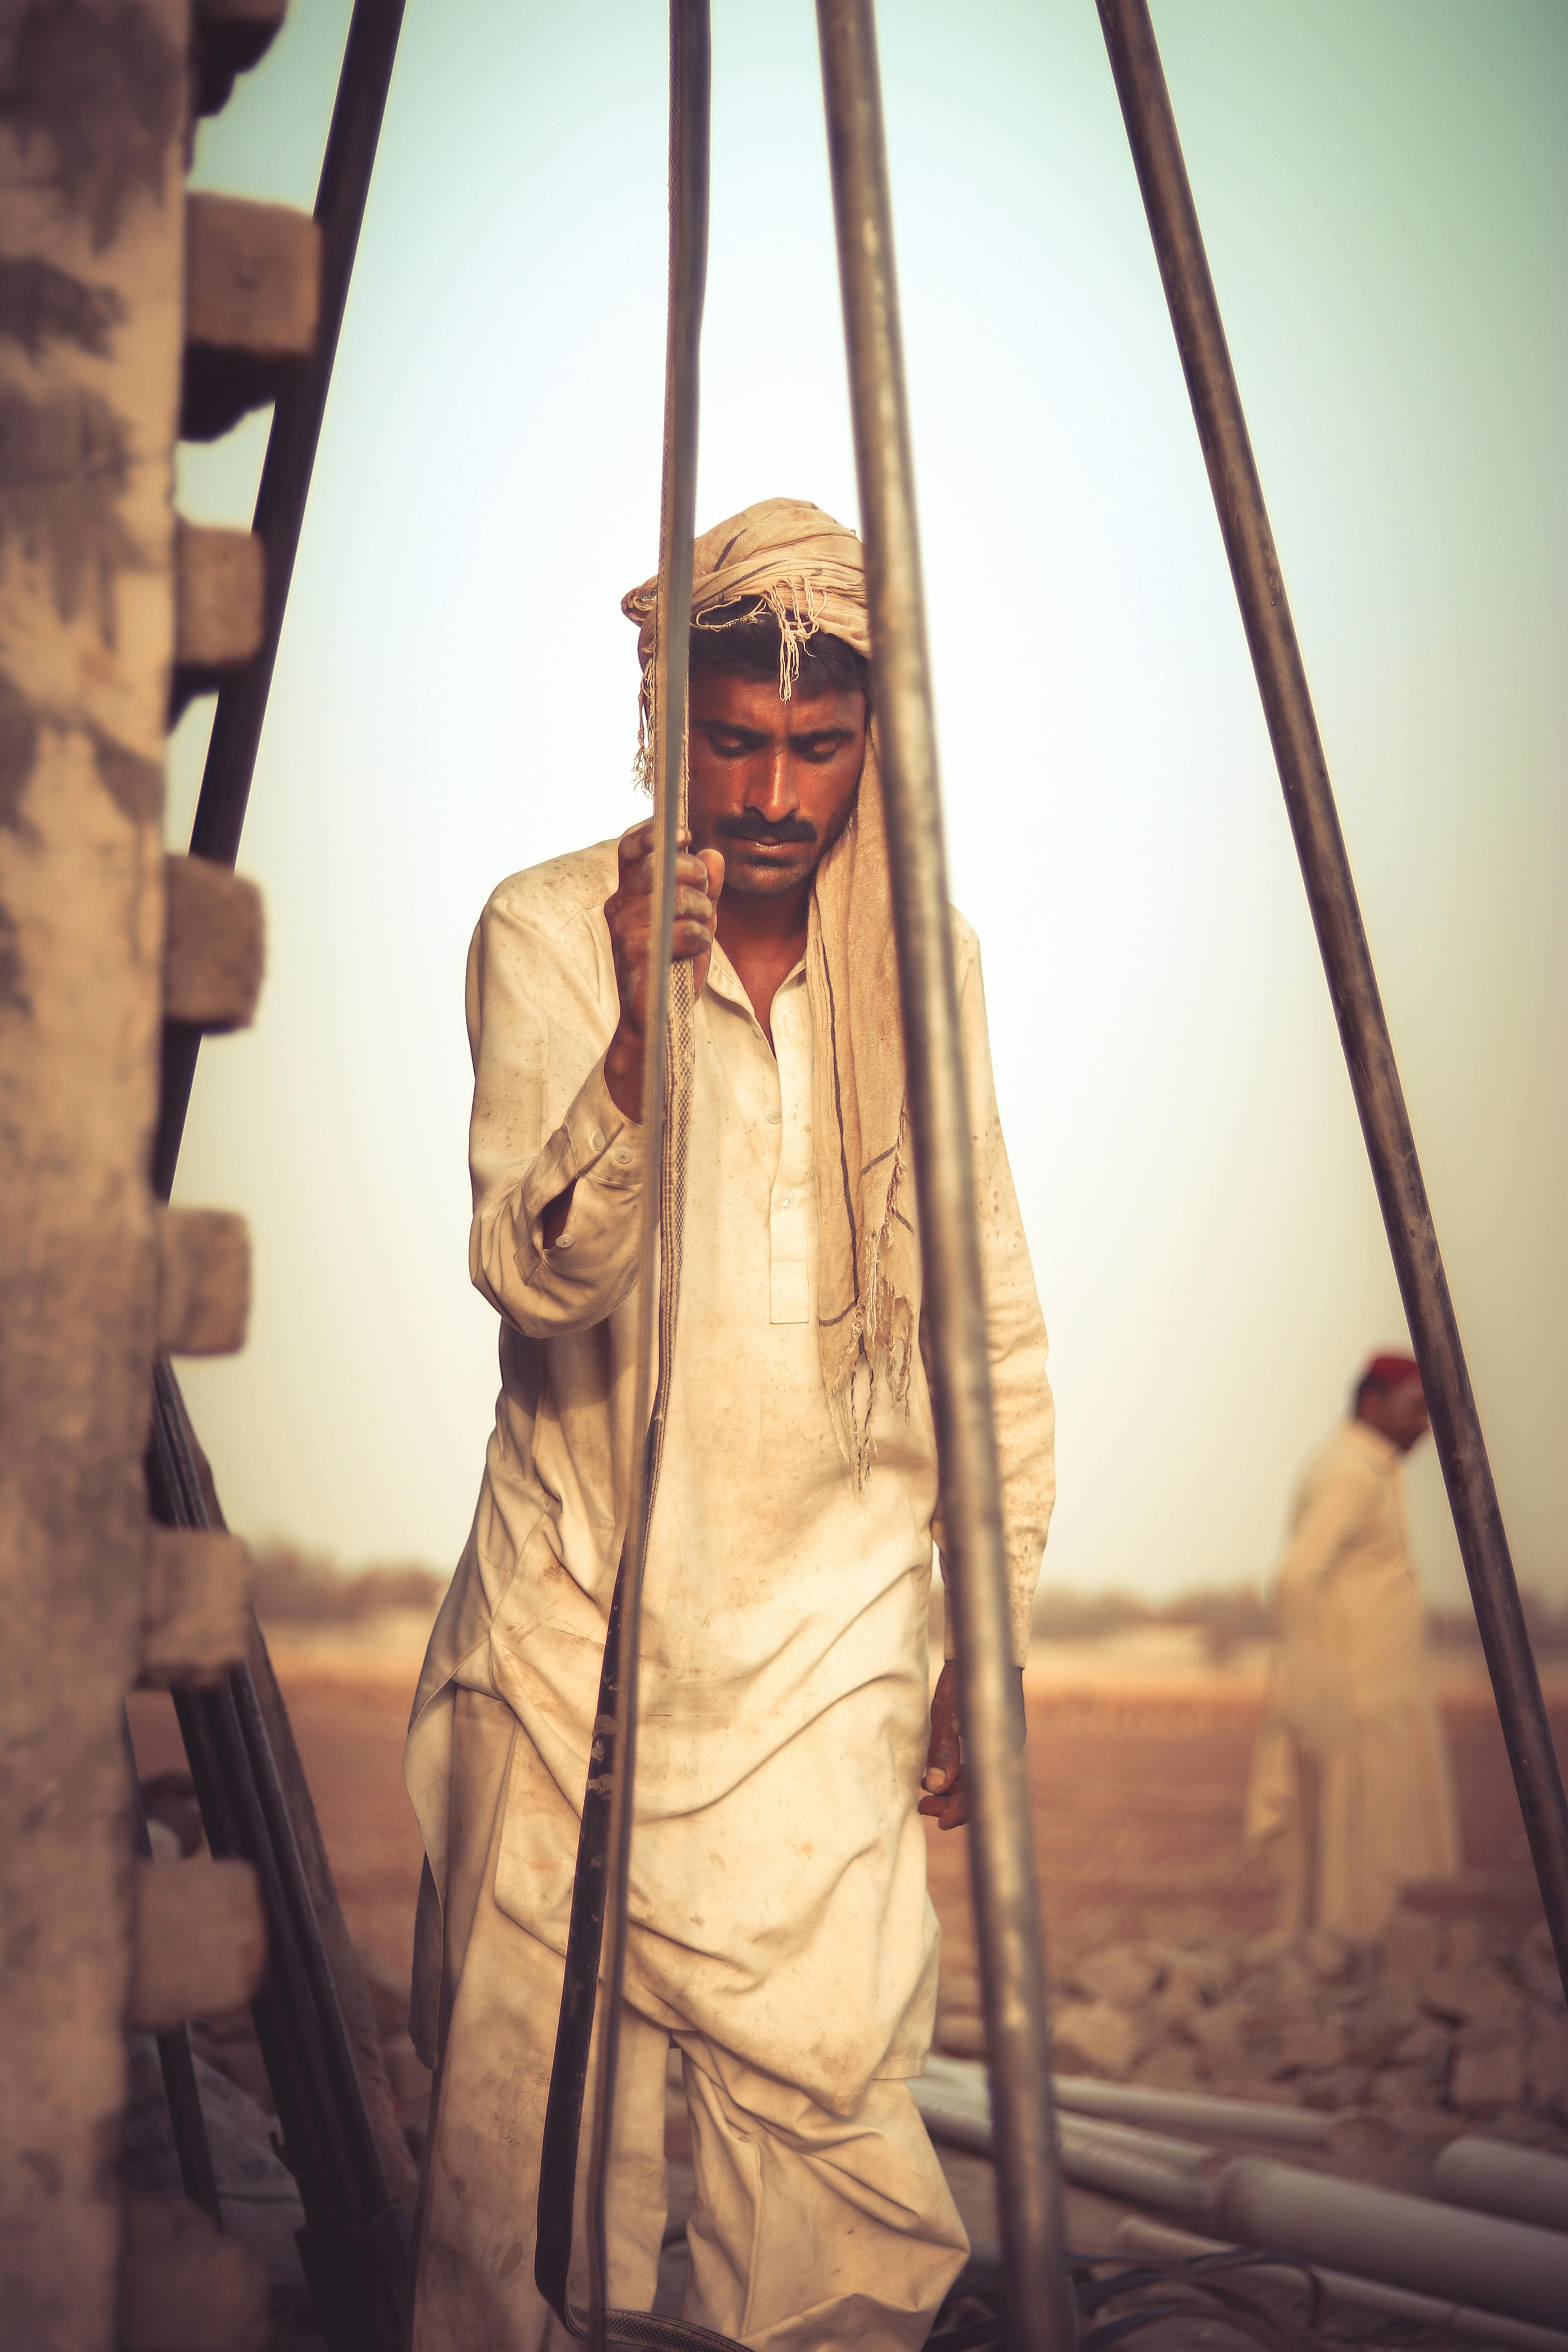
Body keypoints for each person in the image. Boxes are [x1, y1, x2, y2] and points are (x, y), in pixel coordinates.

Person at [403, 498, 1054, 2350]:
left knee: (836, 2174)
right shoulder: (546, 930)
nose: (771, 795)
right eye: (733, 741)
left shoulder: (926, 964)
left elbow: (989, 1328)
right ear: (662, 720)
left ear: (872, 742)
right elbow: (537, 1278)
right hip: (573, 1653)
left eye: (817, 748)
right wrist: (632, 1035)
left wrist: (988, 1632)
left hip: (831, 1660)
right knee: (528, 2190)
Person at [1243, 1353, 1459, 1940]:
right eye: (1415, 1408)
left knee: (1358, 1862)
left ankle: (1339, 1969)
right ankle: (1342, 1974)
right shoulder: (1351, 1474)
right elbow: (1295, 1581)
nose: (1425, 1425)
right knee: (1354, 1873)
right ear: (1373, 1402)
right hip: (1355, 1707)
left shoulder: (1362, 1467)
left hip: (1368, 1705)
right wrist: (1321, 1690)